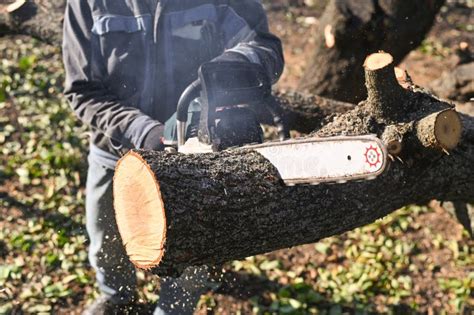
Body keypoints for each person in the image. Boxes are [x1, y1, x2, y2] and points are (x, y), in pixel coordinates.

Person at [62, 0, 284, 314]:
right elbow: (82, 90)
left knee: (195, 249)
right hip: (115, 150)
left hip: (197, 156)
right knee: (107, 243)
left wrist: (233, 67)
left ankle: (174, 309)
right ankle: (118, 298)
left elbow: (264, 45)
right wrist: (144, 131)